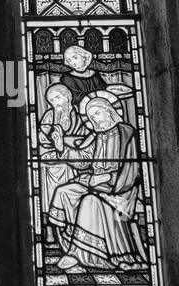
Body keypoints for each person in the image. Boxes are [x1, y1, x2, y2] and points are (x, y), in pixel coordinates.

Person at [47, 88, 144, 270]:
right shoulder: (97, 135)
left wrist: (107, 178)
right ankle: (68, 244)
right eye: (92, 118)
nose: (96, 120)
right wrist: (61, 148)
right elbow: (84, 160)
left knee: (89, 201)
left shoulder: (127, 133)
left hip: (120, 188)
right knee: (64, 192)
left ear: (109, 110)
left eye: (98, 113)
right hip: (96, 183)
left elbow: (133, 170)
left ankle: (82, 253)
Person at [38, 82, 85, 212]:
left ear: (68, 97)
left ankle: (67, 212)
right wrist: (45, 138)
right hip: (51, 156)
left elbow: (83, 141)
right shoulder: (49, 115)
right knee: (43, 165)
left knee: (65, 166)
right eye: (52, 100)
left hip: (72, 156)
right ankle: (49, 211)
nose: (55, 103)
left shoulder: (80, 116)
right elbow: (41, 137)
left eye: (58, 98)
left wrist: (63, 142)